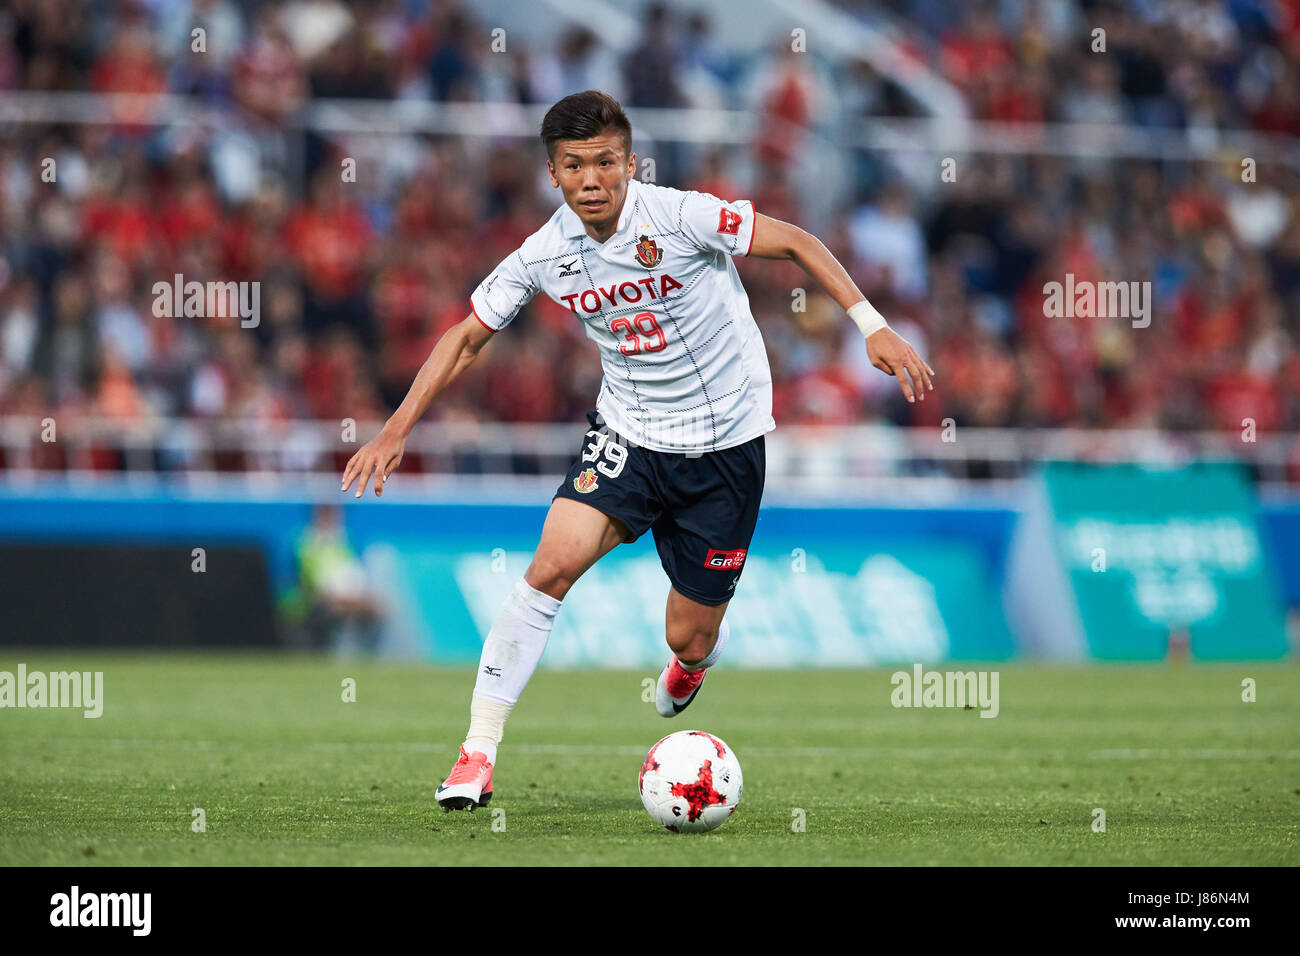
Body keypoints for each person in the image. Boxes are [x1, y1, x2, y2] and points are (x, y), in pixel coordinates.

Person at [340, 90, 933, 811]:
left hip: (726, 448)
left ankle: (691, 666)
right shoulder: (546, 253)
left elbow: (799, 242)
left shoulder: (682, 216)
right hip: (630, 435)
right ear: (553, 174)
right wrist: (397, 426)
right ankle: (476, 753)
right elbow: (466, 335)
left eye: (606, 163)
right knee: (549, 568)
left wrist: (871, 324)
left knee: (689, 634)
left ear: (630, 164)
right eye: (574, 166)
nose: (592, 180)